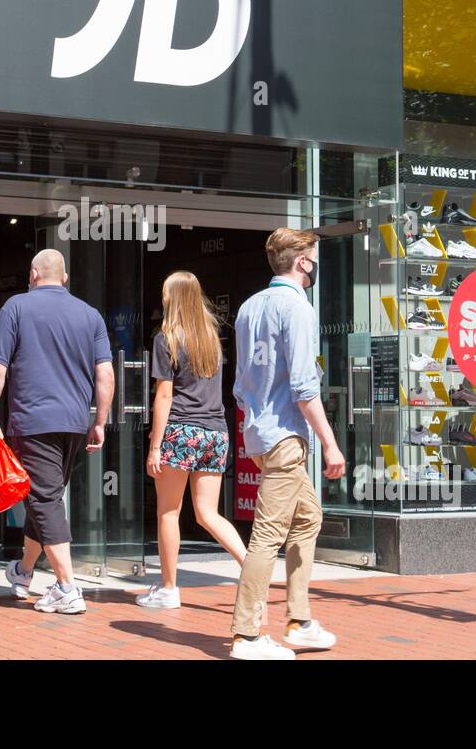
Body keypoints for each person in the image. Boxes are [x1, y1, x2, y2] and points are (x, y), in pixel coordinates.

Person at [229, 227, 345, 660]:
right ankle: (246, 633)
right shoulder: (297, 308)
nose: (316, 264)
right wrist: (330, 444)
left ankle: (298, 620)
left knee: (308, 517)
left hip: (260, 432)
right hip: (284, 434)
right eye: (313, 257)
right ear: (303, 262)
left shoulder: (248, 307)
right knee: (268, 534)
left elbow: (240, 386)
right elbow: (304, 386)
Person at [0, 248, 114, 615]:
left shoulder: (17, 307)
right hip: (74, 422)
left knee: (43, 501)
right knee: (44, 498)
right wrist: (100, 421)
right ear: (65, 278)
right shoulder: (90, 315)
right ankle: (24, 572)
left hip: (34, 421)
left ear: (33, 275)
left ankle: (68, 588)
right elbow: (105, 372)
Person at [136, 271, 246, 610]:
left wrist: (155, 445)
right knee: (207, 513)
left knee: (169, 512)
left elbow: (164, 396)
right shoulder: (211, 338)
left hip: (181, 431)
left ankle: (169, 589)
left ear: (173, 299)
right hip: (215, 432)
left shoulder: (166, 338)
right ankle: (253, 566)